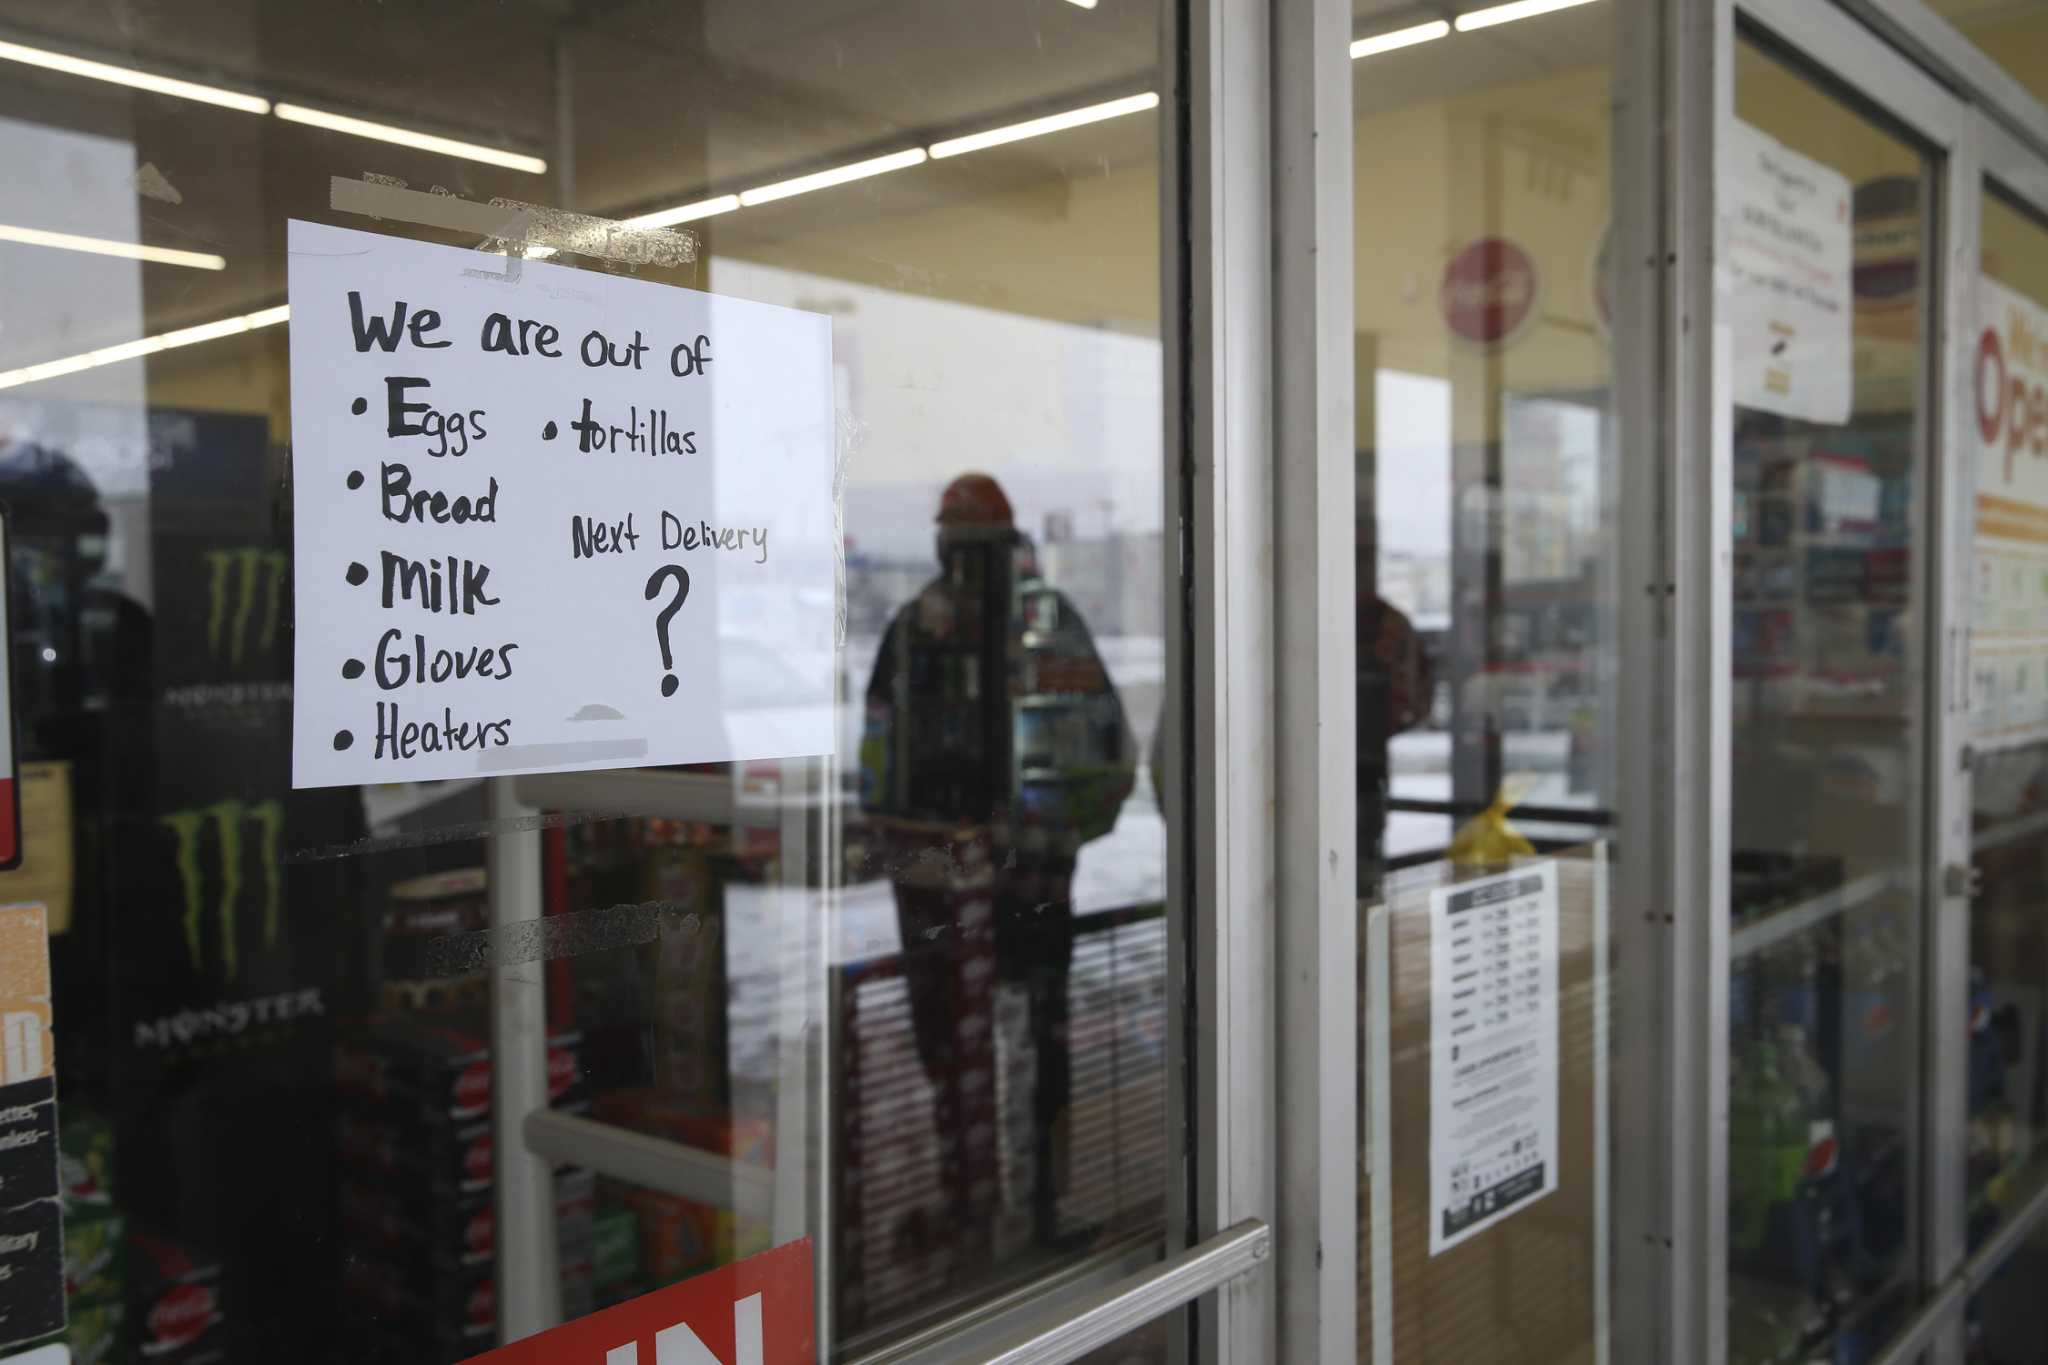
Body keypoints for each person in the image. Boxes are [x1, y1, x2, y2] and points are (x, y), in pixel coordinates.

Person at [859, 473, 1135, 1258]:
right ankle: (996, 1205)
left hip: (986, 887)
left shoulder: (938, 627)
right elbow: (880, 762)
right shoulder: (969, 627)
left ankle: (1017, 1206)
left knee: (1002, 1041)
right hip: (974, 885)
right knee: (974, 1045)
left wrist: (1032, 838)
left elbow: (1105, 758)